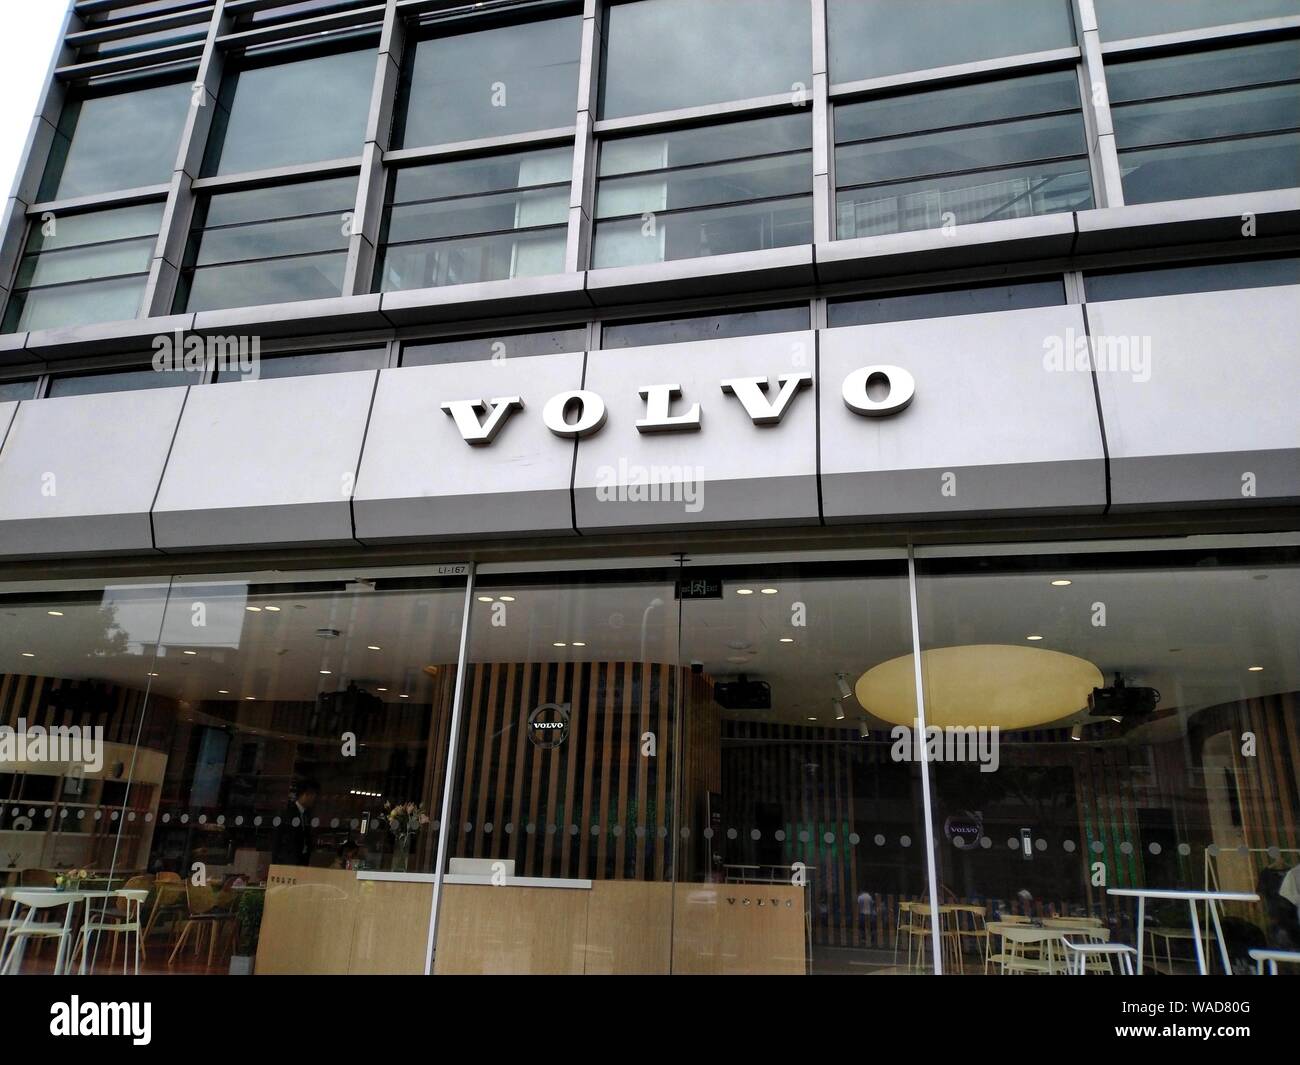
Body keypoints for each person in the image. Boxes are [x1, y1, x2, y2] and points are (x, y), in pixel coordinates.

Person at [271, 778, 319, 867]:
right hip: (288, 862)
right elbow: (277, 839)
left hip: (302, 861)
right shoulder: (288, 813)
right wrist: (275, 864)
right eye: (313, 795)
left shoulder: (307, 815)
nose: (314, 799)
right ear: (306, 794)